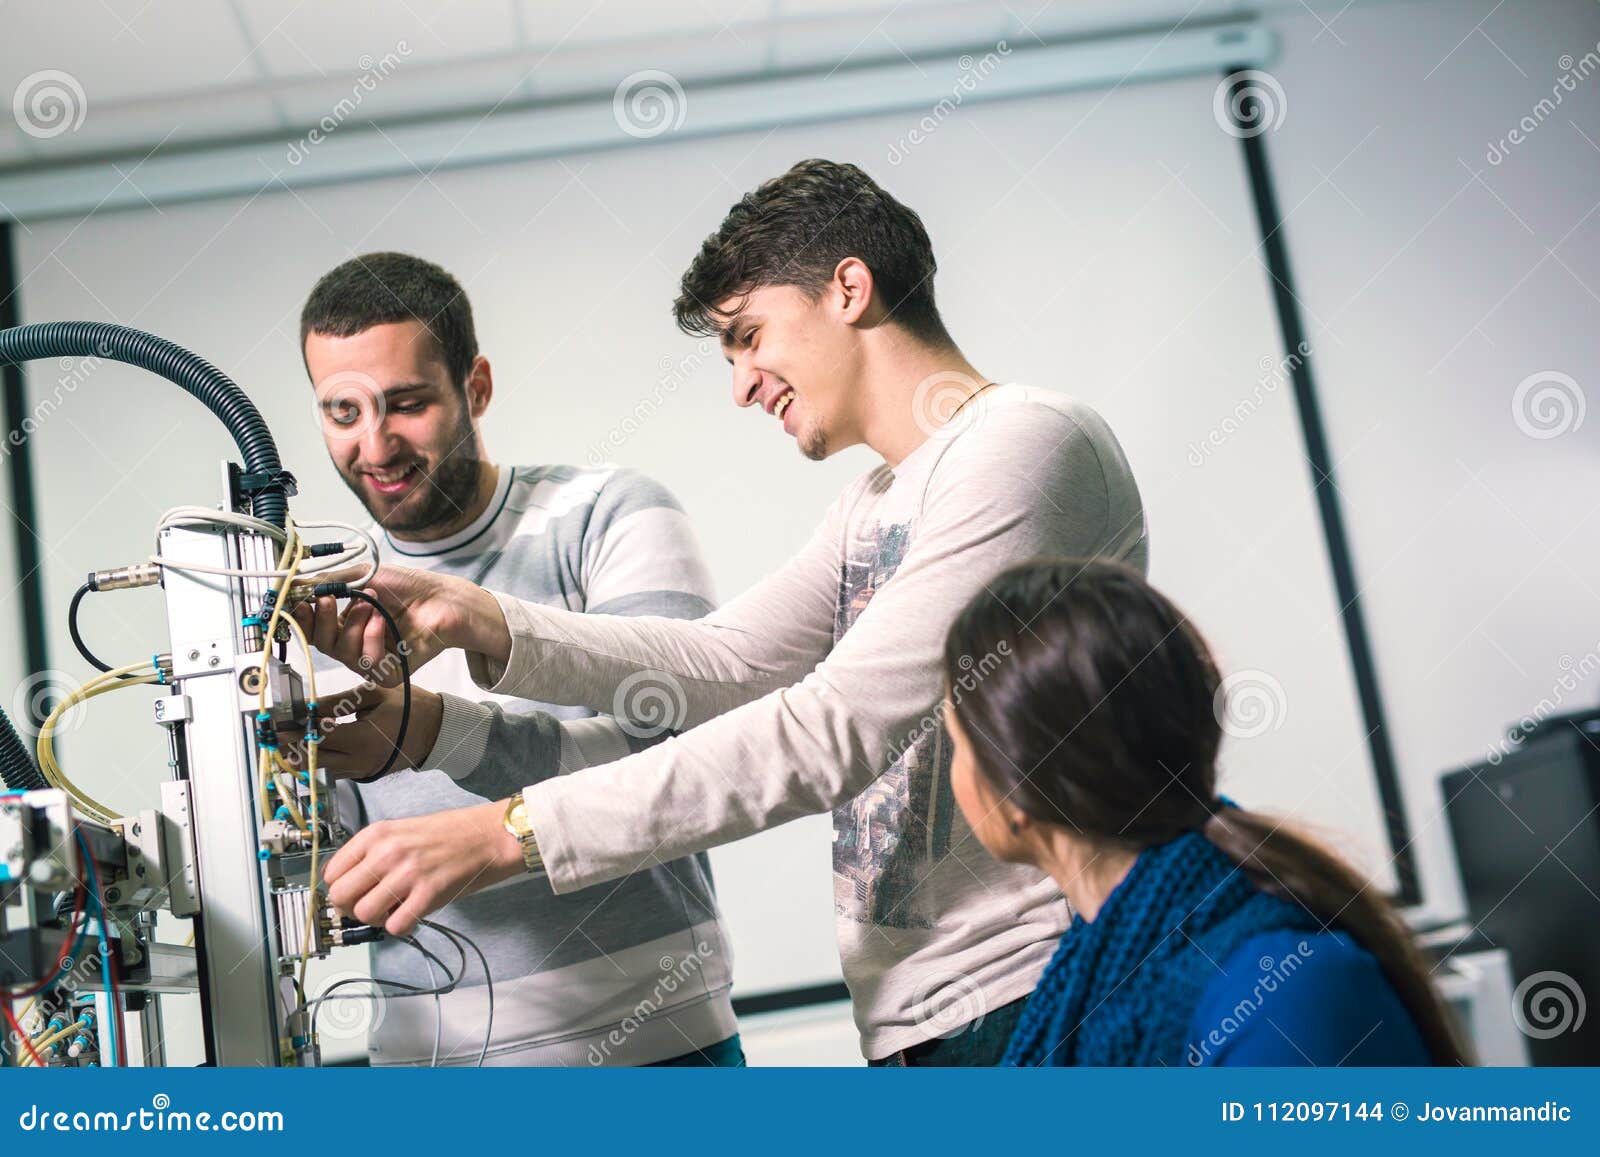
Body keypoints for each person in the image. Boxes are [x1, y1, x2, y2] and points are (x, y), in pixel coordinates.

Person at [305, 160, 1149, 1065]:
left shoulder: (1023, 441)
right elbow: (727, 661)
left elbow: (830, 728)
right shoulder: (873, 502)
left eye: (750, 337)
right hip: (927, 1015)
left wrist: (510, 830)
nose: (743, 385)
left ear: (849, 290)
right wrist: (482, 619)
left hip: (1045, 979)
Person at [296, 251, 742, 1066]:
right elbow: (321, 871)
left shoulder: (606, 515)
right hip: (431, 1069)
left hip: (655, 1047)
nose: (375, 443)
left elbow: (682, 758)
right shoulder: (310, 609)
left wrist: (436, 730)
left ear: (476, 387)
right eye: (342, 411)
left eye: (407, 404)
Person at [939, 557, 1471, 1067]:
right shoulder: (1082, 981)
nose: (953, 772)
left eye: (957, 743)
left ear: (1019, 792)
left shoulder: (1281, 993)